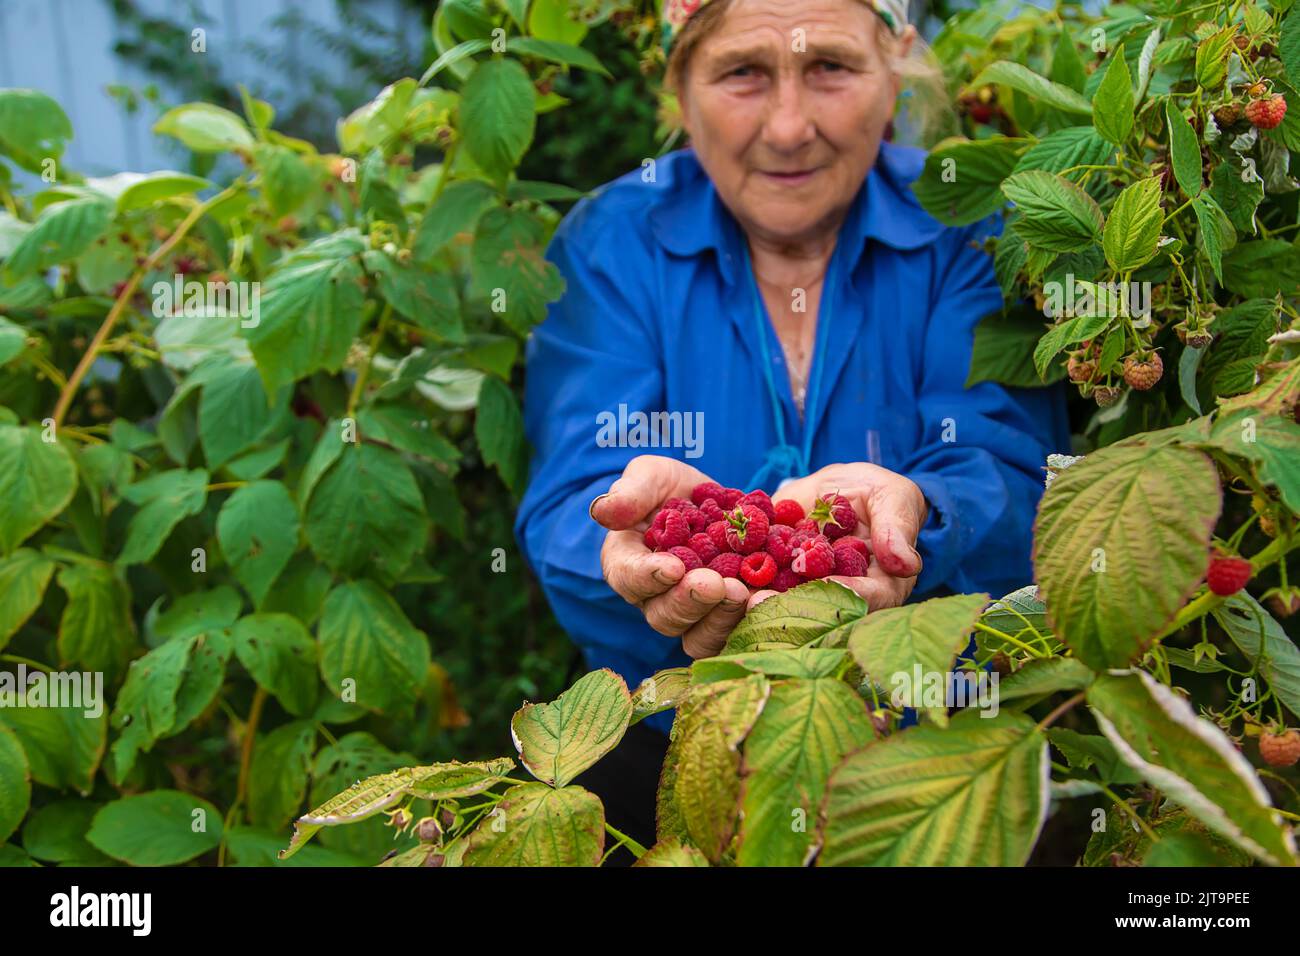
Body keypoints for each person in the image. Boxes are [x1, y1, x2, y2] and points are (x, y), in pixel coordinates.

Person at [513, 0, 1070, 853]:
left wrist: (917, 508)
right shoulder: (612, 243)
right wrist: (627, 546)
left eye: (831, 69)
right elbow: (573, 496)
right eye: (742, 72)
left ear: (896, 68)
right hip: (677, 741)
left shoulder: (971, 229)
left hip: (931, 746)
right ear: (680, 87)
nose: (787, 128)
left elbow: (1007, 466)